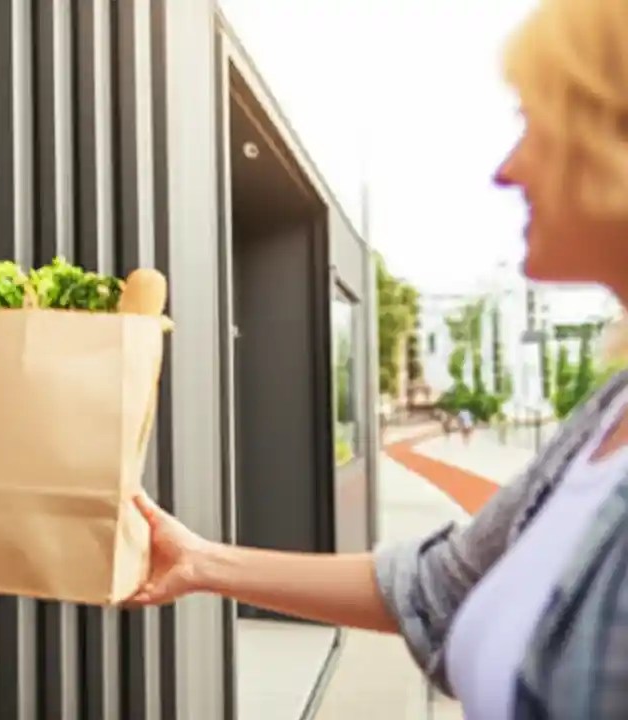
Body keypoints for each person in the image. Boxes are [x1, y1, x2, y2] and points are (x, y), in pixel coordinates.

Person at [126, 0, 628, 717]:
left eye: (537, 124)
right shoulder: (607, 415)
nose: (507, 170)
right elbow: (438, 588)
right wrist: (200, 562)